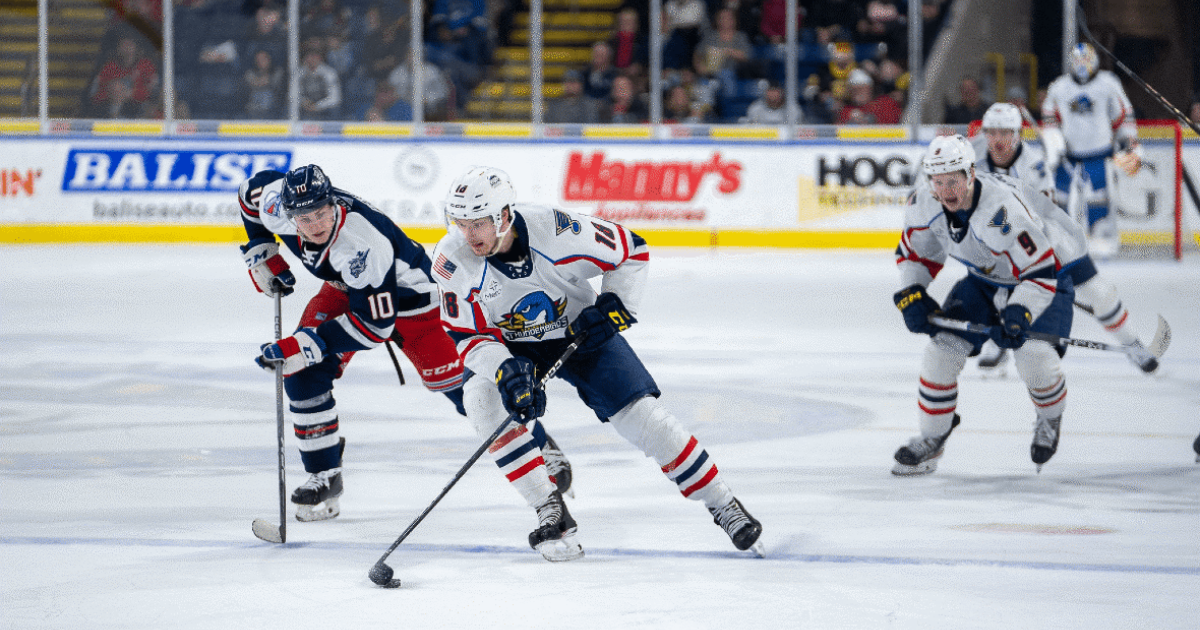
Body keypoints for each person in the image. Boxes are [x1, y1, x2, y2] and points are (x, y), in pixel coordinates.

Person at [430, 166, 764, 561]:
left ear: (504, 215)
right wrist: (504, 370)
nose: (469, 235)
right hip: (509, 345)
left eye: (479, 223)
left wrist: (614, 306)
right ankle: (548, 507)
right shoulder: (451, 259)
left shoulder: (556, 231)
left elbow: (632, 249)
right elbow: (467, 336)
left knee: (646, 420)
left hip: (580, 334)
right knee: (481, 400)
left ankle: (723, 503)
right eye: (461, 223)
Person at [238, 164, 573, 522]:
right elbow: (250, 192)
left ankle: (540, 444)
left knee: (469, 392)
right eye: (304, 218)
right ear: (287, 214)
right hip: (349, 291)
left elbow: (374, 326)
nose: (315, 224)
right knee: (303, 372)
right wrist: (261, 248)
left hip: (417, 305)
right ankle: (325, 474)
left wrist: (307, 343)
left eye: (321, 212)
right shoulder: (275, 204)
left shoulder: (363, 242)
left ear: (333, 202)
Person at [892, 135, 1077, 476]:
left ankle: (1050, 418)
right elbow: (914, 254)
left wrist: (1020, 310)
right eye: (939, 181)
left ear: (970, 174)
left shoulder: (1000, 211)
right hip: (985, 279)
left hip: (1044, 277)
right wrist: (912, 293)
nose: (946, 190)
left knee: (1035, 357)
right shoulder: (925, 203)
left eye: (954, 180)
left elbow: (1039, 272)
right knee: (941, 350)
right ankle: (932, 438)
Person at [969, 103, 1159, 374]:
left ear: (1018, 134)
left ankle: (1132, 343)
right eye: (992, 133)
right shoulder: (972, 157)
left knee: (1099, 293)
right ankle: (997, 339)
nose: (998, 140)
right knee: (995, 284)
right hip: (997, 240)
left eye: (1005, 133)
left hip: (1050, 240)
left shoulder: (1033, 166)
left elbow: (1042, 219)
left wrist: (1047, 273)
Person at [1041, 43, 1142, 256]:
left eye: (1085, 60)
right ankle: (1061, 238)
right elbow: (1050, 118)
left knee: (1099, 197)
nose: (1081, 66)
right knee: (1060, 197)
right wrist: (1053, 142)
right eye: (1077, 61)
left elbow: (1123, 115)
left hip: (1100, 153)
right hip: (1067, 155)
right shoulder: (1059, 86)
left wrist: (1128, 140)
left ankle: (1101, 235)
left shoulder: (1108, 84)